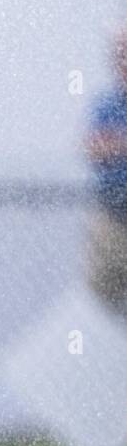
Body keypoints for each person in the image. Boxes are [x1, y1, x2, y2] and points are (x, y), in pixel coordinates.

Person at [83, 28, 127, 317]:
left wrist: (116, 143)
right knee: (103, 284)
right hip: (114, 210)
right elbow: (94, 147)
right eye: (120, 56)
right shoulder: (107, 104)